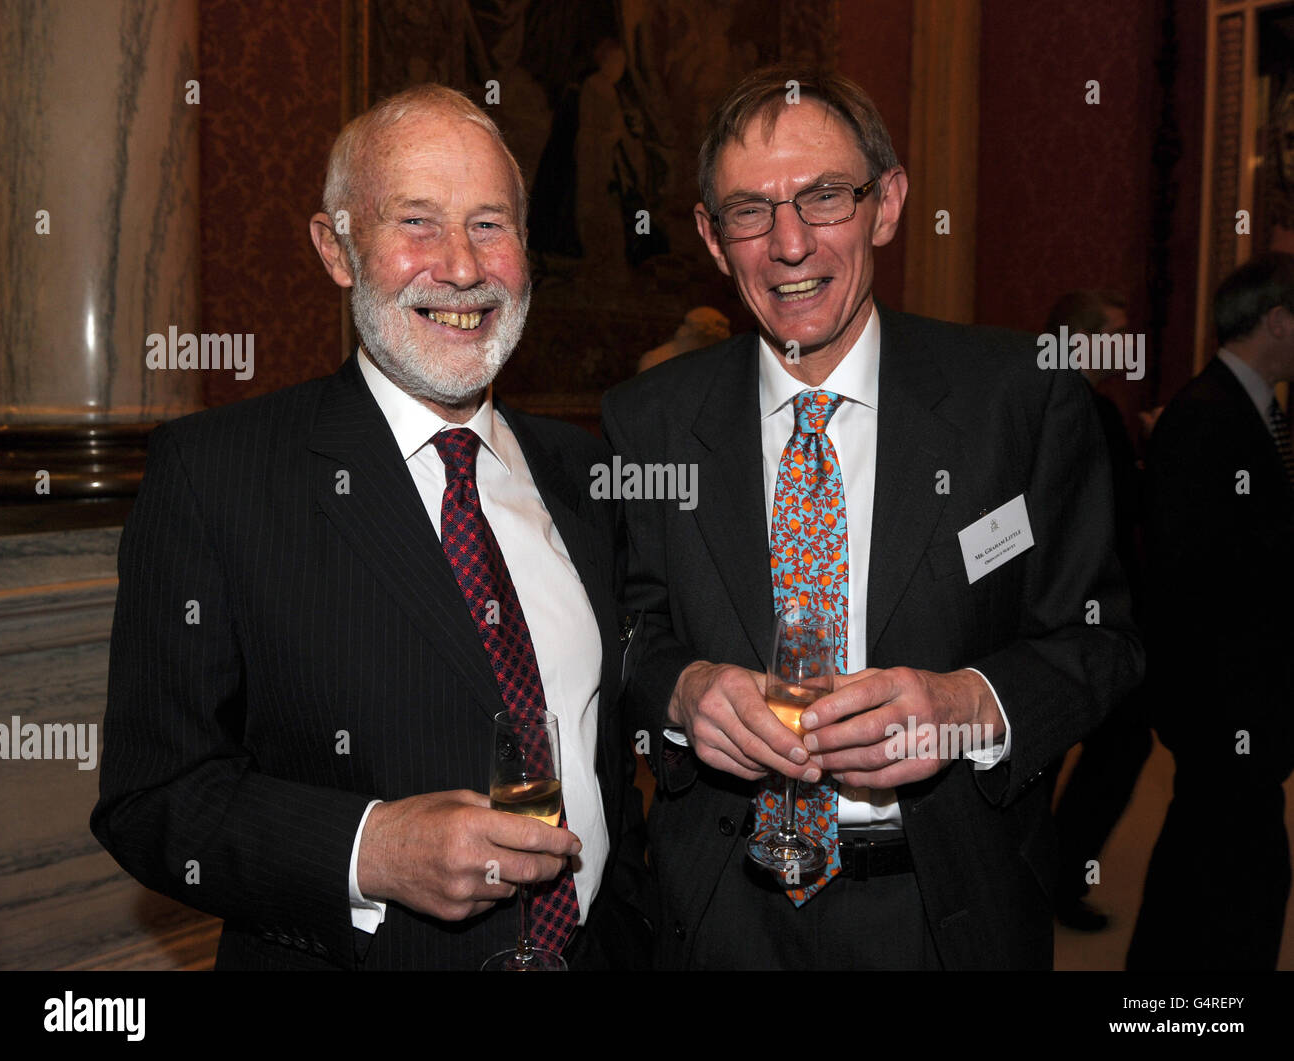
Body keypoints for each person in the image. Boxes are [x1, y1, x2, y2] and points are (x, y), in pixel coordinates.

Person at [91, 84, 649, 971]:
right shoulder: (218, 475)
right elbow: (151, 798)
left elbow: (609, 756)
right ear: (337, 246)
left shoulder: (582, 474)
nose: (462, 268)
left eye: (490, 225)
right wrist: (371, 848)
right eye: (417, 222)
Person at [601, 66, 1142, 970]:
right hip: (715, 914)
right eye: (748, 211)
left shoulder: (1020, 399)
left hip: (946, 910)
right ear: (709, 234)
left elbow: (1104, 643)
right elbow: (622, 630)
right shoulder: (646, 419)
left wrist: (970, 705)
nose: (789, 244)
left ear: (887, 204)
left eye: (824, 197)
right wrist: (680, 688)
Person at [1128, 253, 1294, 970]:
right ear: (1277, 320)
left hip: (1243, 695)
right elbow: (1185, 574)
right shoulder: (1208, 416)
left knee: (1214, 861)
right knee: (1235, 869)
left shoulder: (1249, 409)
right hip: (1225, 699)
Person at [1043, 290, 1152, 932]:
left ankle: (1052, 875)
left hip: (1074, 610)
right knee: (1108, 745)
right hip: (1079, 613)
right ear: (1080, 335)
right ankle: (1055, 877)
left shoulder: (1073, 401)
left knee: (1080, 746)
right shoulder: (1067, 403)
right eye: (1115, 331)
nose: (1125, 342)